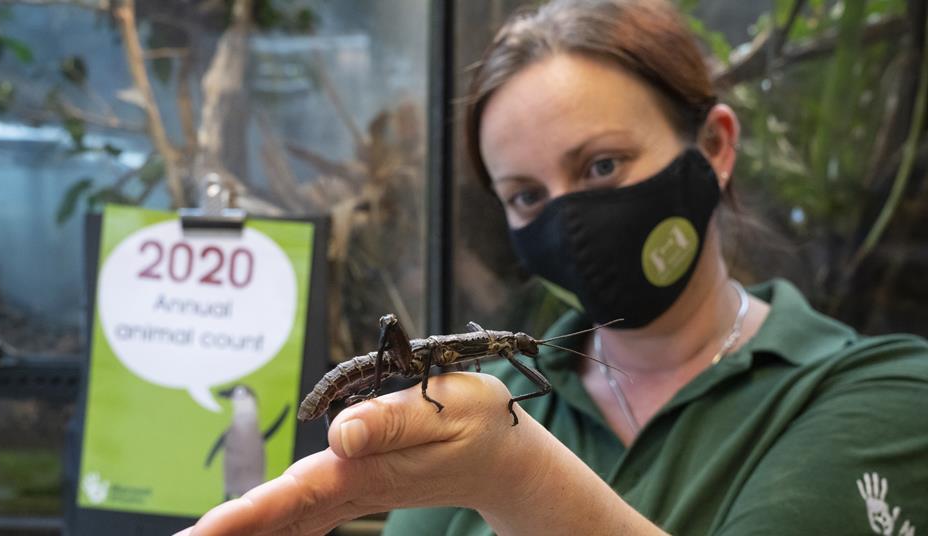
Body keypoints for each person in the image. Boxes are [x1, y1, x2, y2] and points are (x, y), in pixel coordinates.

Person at [180, 0, 928, 534]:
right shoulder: (487, 396)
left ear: (716, 148)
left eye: (602, 164)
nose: (569, 218)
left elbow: (506, 446)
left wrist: (516, 475)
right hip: (393, 368)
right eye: (527, 194)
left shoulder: (881, 394)